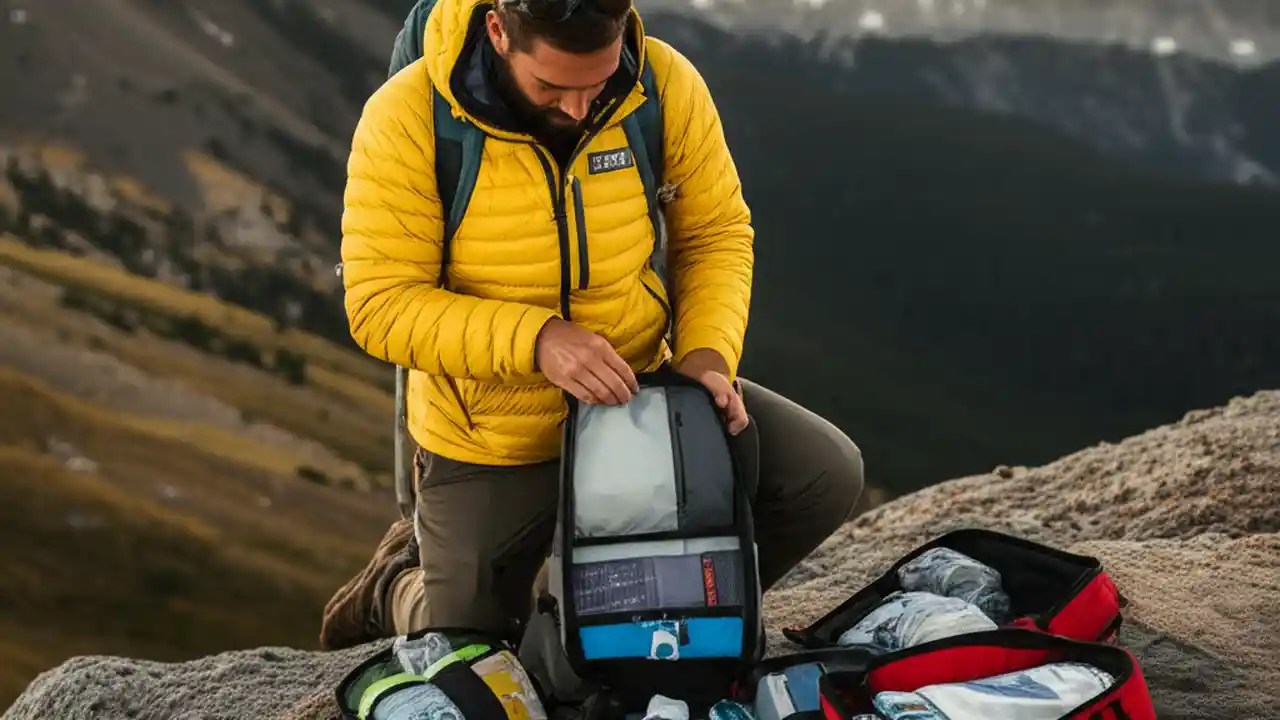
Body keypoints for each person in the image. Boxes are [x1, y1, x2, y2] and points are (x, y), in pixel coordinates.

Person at [319, 0, 865, 651]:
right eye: (552, 86)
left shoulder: (660, 83)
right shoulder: (410, 116)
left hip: (636, 402)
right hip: (492, 436)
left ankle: (620, 616)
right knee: (471, 642)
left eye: (598, 83)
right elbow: (380, 305)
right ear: (498, 31)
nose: (579, 109)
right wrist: (538, 341)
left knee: (822, 476)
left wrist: (705, 356)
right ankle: (396, 585)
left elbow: (715, 233)